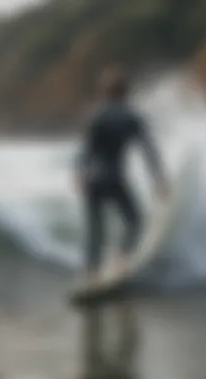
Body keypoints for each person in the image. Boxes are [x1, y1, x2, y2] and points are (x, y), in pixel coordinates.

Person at [75, 65, 169, 287]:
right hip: (114, 179)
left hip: (93, 180)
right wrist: (159, 181)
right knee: (135, 221)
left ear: (105, 92)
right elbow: (149, 151)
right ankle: (121, 257)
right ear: (126, 92)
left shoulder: (95, 116)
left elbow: (86, 149)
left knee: (95, 230)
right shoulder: (132, 117)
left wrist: (79, 172)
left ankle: (92, 276)